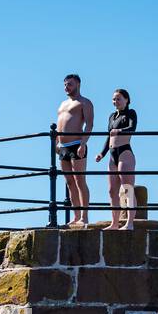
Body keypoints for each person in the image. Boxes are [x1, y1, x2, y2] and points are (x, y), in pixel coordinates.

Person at [94, 88, 137, 230]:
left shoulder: (130, 113)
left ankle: (129, 223)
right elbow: (109, 136)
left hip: (125, 152)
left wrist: (118, 131)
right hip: (112, 155)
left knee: (127, 188)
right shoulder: (112, 116)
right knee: (112, 191)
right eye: (114, 99)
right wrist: (102, 153)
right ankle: (114, 223)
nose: (115, 101)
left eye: (118, 99)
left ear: (126, 100)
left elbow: (132, 128)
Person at [55, 74, 94, 227]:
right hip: (62, 147)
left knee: (80, 180)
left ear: (78, 84)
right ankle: (76, 215)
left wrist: (83, 144)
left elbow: (89, 125)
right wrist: (57, 144)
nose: (66, 87)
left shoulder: (85, 102)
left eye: (69, 84)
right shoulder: (62, 104)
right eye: (65, 84)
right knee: (69, 182)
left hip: (77, 144)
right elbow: (59, 125)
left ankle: (84, 216)